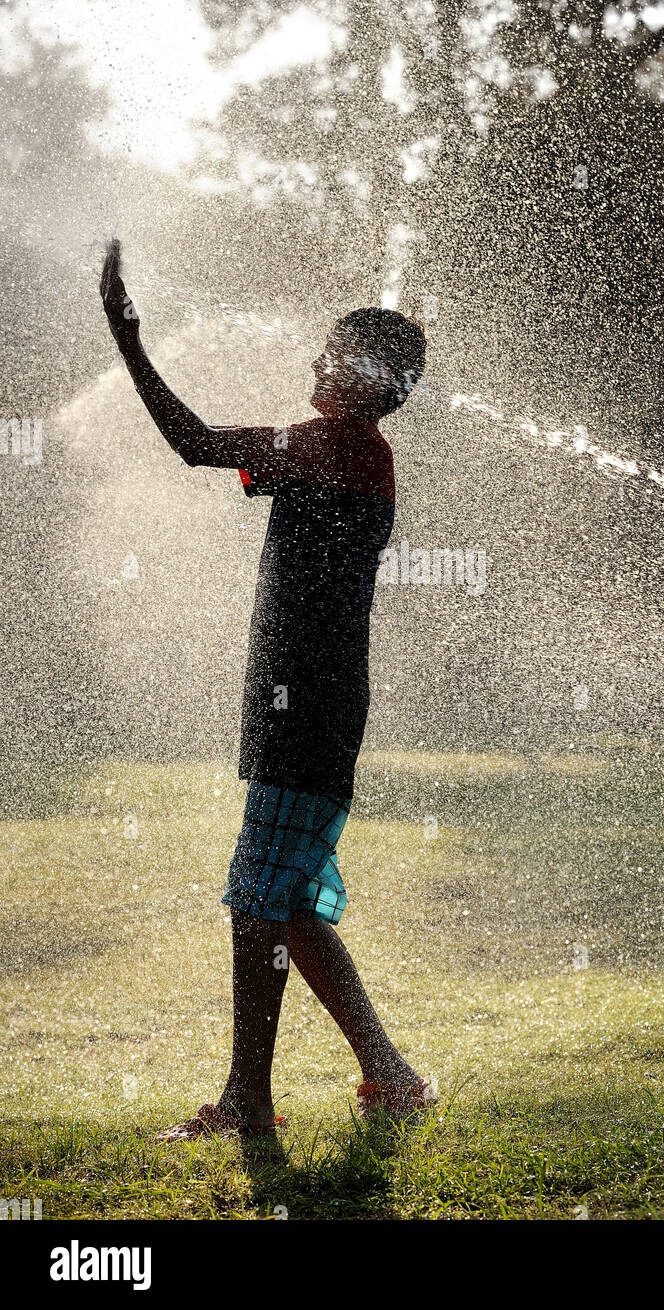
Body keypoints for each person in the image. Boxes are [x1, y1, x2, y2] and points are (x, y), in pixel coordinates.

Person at [99, 239, 436, 1138]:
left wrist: (127, 340)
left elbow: (196, 444)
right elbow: (218, 455)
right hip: (302, 704)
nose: (318, 361)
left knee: (258, 904)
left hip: (311, 709)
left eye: (338, 353)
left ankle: (249, 1102)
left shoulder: (345, 448)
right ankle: (392, 1076)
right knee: (283, 900)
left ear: (375, 381)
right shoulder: (333, 450)